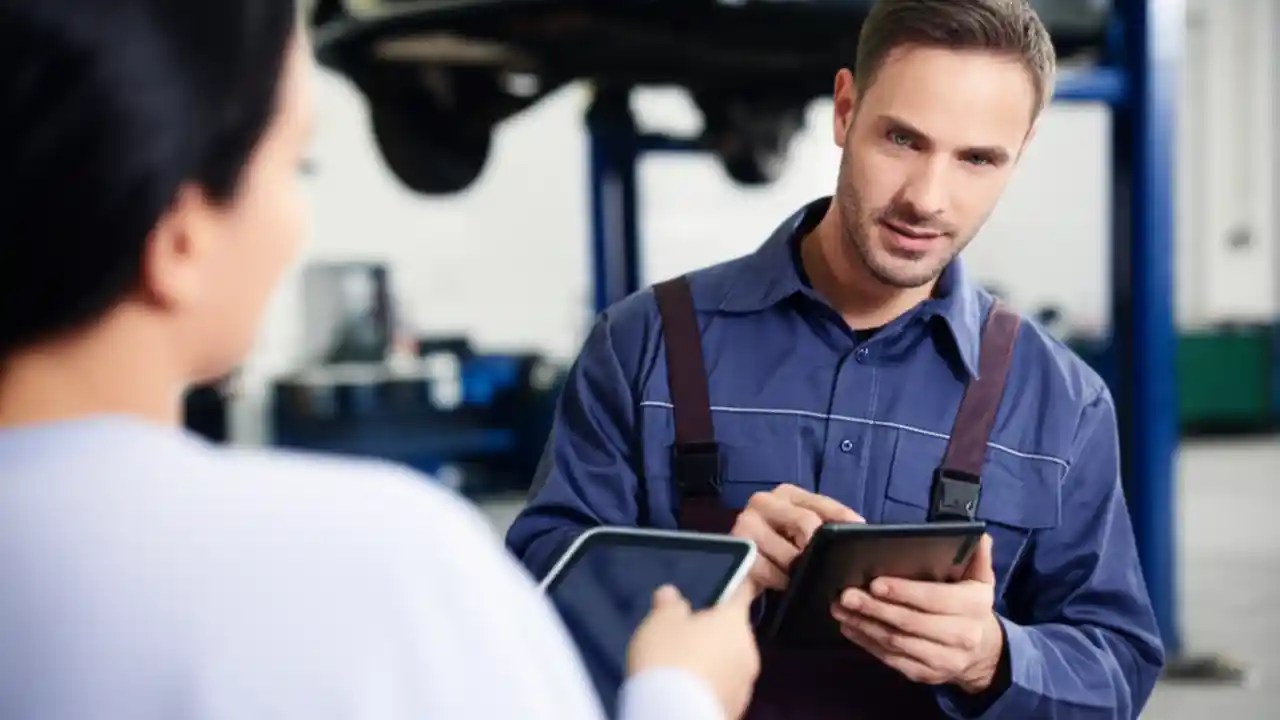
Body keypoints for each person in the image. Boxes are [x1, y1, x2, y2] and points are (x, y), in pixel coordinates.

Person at [0, 1, 759, 719]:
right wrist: (679, 692)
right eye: (296, 167)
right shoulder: (372, 565)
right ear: (182, 238)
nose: (298, 221)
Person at [506, 0, 1166, 717]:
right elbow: (532, 594)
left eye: (978, 158)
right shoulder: (644, 345)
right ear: (845, 110)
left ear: (1021, 152)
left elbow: (1117, 665)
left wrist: (991, 657)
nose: (928, 199)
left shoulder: (1062, 401)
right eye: (903, 140)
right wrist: (708, 572)